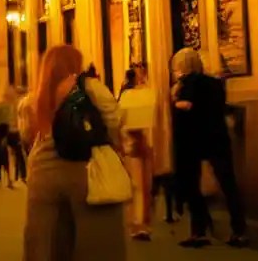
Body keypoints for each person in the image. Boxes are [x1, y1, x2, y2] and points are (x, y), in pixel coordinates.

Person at [22, 45, 125, 261]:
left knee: (46, 240)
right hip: (83, 166)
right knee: (94, 239)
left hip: (42, 170)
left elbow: (26, 134)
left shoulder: (36, 95)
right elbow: (115, 120)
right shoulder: (89, 87)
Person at [171, 48, 248, 248]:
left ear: (180, 66)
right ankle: (239, 229)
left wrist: (175, 102)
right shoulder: (215, 83)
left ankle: (199, 230)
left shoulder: (186, 83)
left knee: (191, 184)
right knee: (228, 183)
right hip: (217, 136)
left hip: (192, 139)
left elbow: (186, 105)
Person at [118, 65, 158, 241]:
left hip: (139, 143)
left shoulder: (138, 95)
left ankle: (141, 223)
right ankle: (139, 224)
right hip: (134, 142)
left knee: (143, 185)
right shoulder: (133, 96)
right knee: (139, 186)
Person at [5, 86, 28, 185]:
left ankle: (12, 178)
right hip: (14, 131)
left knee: (12, 155)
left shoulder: (11, 104)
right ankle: (20, 176)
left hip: (10, 131)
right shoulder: (20, 104)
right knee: (18, 155)